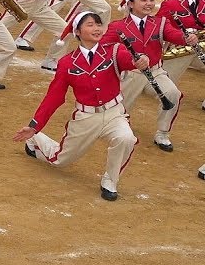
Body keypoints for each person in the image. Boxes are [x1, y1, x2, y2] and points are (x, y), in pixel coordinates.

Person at [14, 12, 143, 202]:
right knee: (60, 160)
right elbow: (54, 97)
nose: (97, 28)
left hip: (114, 113)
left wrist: (140, 61)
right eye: (90, 25)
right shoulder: (66, 63)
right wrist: (35, 126)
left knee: (126, 138)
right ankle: (36, 141)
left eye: (98, 24)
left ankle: (110, 181)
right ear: (78, 32)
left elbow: (131, 61)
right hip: (85, 118)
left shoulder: (114, 50)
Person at [101, 0, 195, 153]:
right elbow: (103, 47)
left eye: (151, 0)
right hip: (129, 74)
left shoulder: (160, 22)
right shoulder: (117, 26)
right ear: (130, 4)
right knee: (119, 109)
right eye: (143, 0)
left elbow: (173, 34)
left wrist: (186, 38)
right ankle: (116, 128)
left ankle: (162, 133)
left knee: (172, 93)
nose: (149, 4)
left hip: (155, 71)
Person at [158, 0, 205, 126]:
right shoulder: (170, 4)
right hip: (177, 50)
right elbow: (158, 28)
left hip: (200, 47)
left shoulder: (204, 2)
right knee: (161, 88)